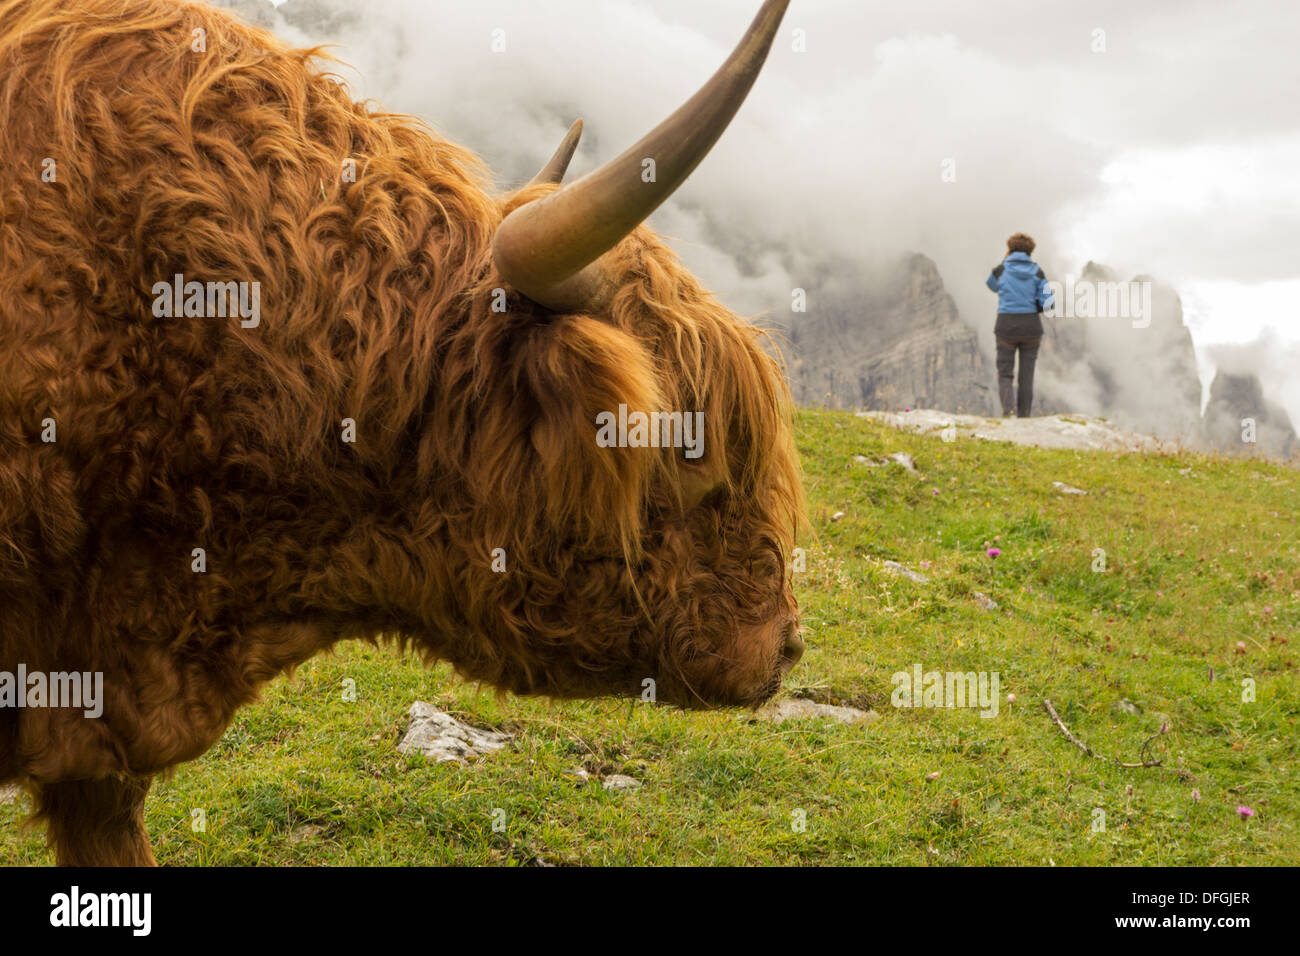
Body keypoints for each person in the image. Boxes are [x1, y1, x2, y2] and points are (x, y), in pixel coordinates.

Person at [985, 233, 1055, 417]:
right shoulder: (1038, 272)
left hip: (1006, 326)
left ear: (1009, 248)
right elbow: (1049, 303)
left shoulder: (1001, 270)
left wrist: (1005, 261)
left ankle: (1008, 412)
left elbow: (991, 285)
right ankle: (1024, 416)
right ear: (1030, 251)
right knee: (1027, 377)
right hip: (1031, 327)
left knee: (1005, 373)